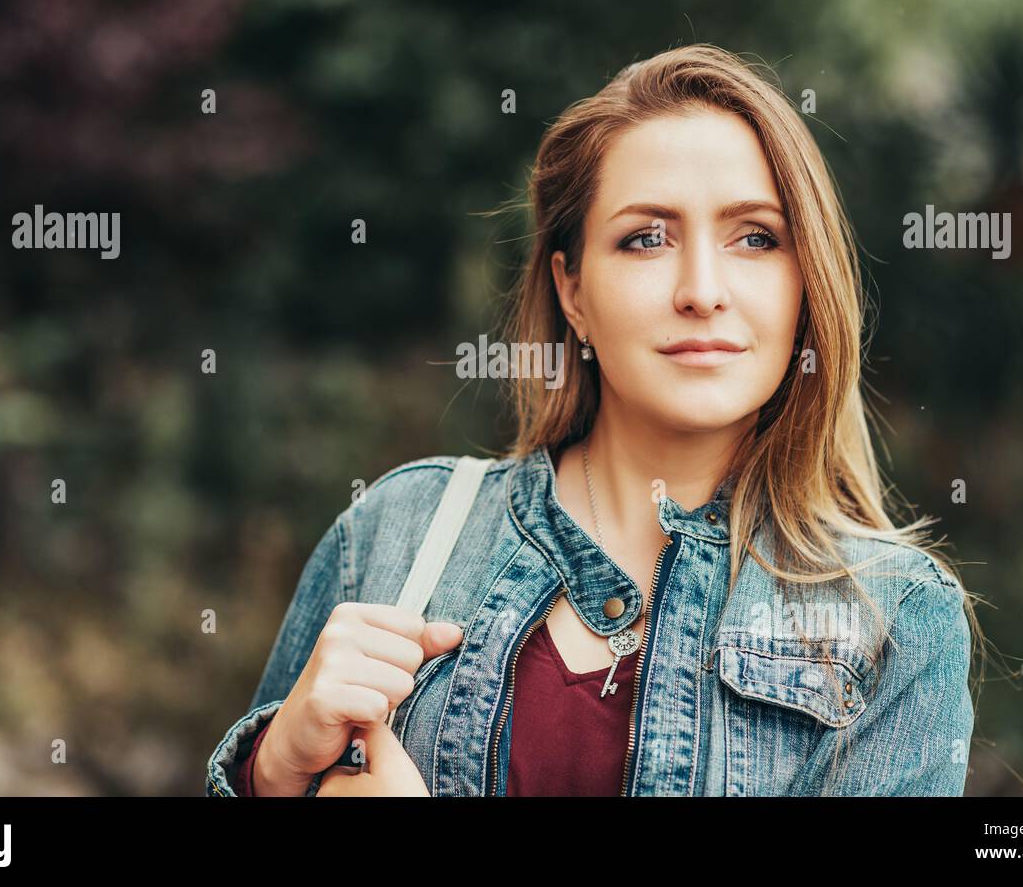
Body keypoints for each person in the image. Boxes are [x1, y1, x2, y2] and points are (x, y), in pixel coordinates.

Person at [206, 43, 979, 797]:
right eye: (647, 238)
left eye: (755, 237)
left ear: (807, 280)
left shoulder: (895, 618)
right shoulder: (395, 533)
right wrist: (273, 772)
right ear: (572, 291)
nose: (702, 290)